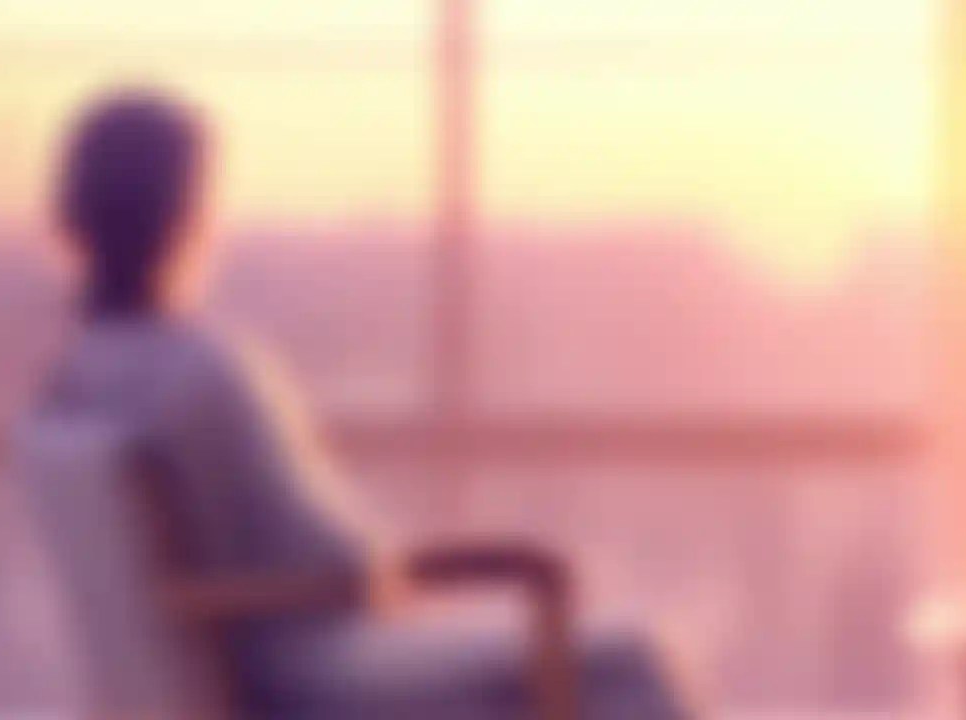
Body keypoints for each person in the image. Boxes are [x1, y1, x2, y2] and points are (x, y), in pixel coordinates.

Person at [36, 89, 683, 718]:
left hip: (248, 663)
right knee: (626, 661)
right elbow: (326, 561)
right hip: (308, 675)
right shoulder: (200, 370)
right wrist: (387, 573)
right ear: (185, 213)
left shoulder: (72, 385)